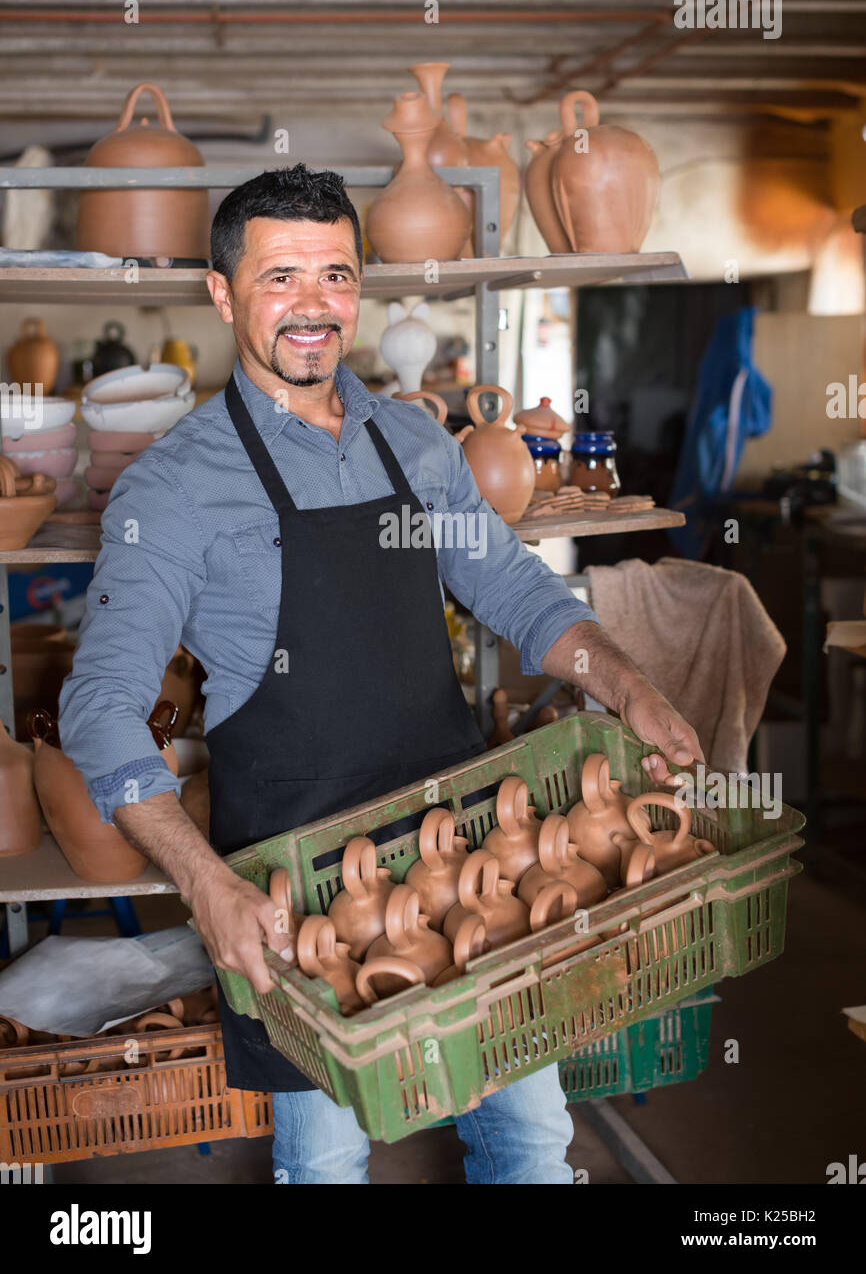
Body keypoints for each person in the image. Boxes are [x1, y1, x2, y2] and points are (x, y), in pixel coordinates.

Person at [59, 163, 703, 1184]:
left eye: (335, 274)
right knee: (325, 1161)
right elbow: (97, 710)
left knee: (530, 1135)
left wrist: (625, 684)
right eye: (279, 278)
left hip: (464, 859)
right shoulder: (173, 486)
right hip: (296, 901)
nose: (313, 305)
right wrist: (205, 884)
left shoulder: (413, 442)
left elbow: (515, 591)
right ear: (222, 294)